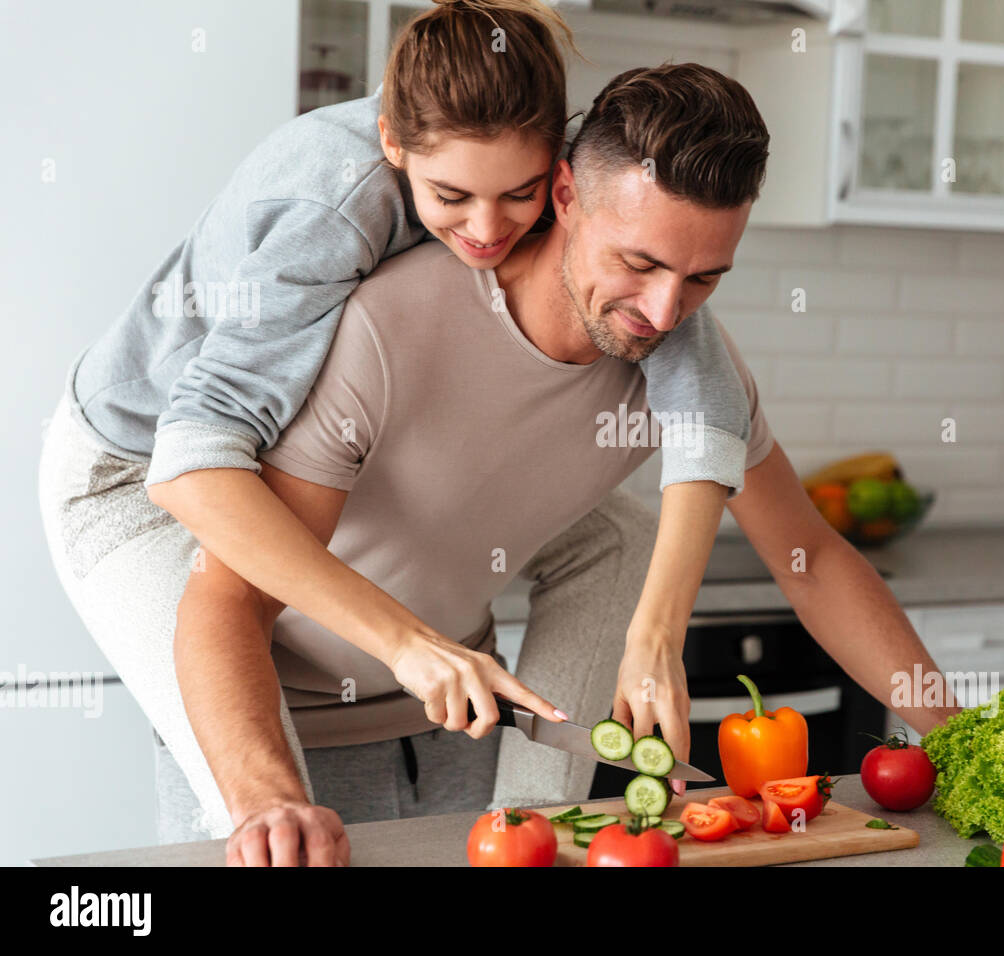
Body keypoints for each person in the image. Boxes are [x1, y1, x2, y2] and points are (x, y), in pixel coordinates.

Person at [176, 60, 963, 866]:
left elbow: (816, 561)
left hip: (459, 732)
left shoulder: (687, 368)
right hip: (280, 737)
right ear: (562, 196)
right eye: (640, 263)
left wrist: (965, 742)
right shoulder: (385, 328)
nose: (664, 312)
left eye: (702, 279)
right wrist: (269, 797)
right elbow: (228, 596)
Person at [37, 0, 752, 846]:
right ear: (391, 142)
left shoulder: (564, 191)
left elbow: (680, 332)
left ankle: (536, 820)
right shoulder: (330, 211)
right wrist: (409, 641)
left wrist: (658, 631)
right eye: (451, 197)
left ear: (557, 170)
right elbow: (192, 460)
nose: (488, 231)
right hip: (136, 471)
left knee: (619, 536)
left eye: (519, 197)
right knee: (259, 791)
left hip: (260, 441)